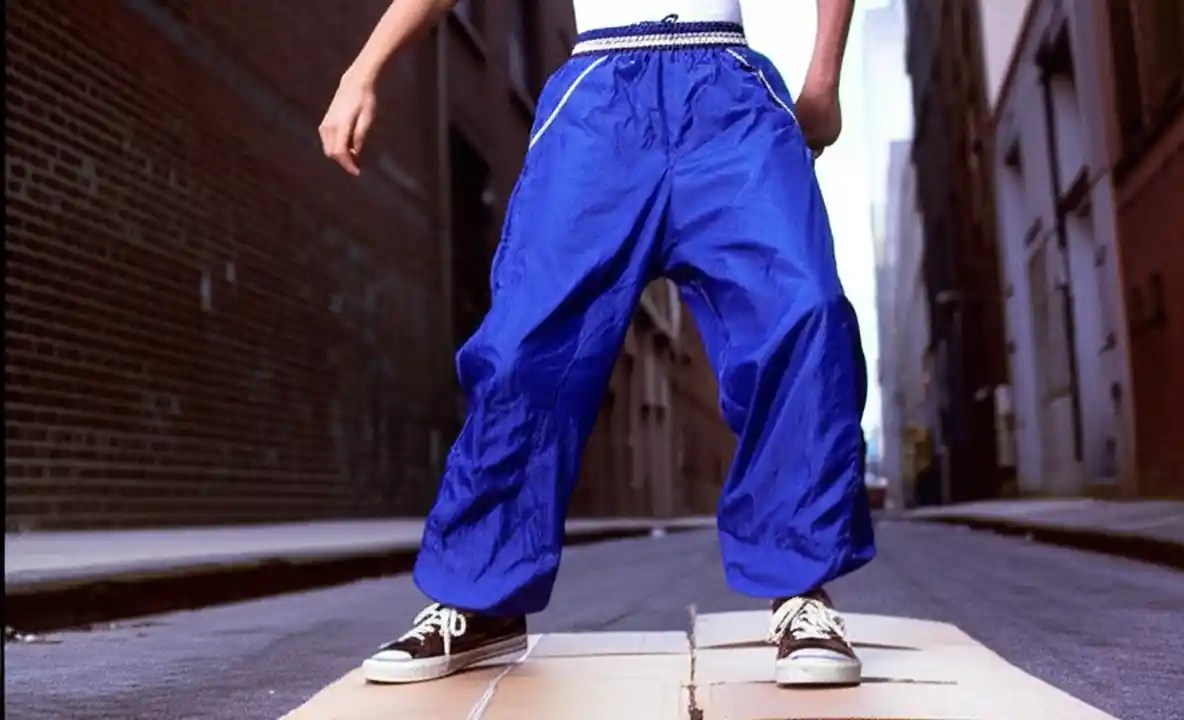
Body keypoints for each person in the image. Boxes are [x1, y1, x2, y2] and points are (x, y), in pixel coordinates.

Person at [318, 0, 873, 688]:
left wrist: (823, 81)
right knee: (525, 343)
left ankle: (802, 589)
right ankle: (482, 600)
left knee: (805, 312)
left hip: (729, 94)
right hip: (599, 95)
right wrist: (362, 69)